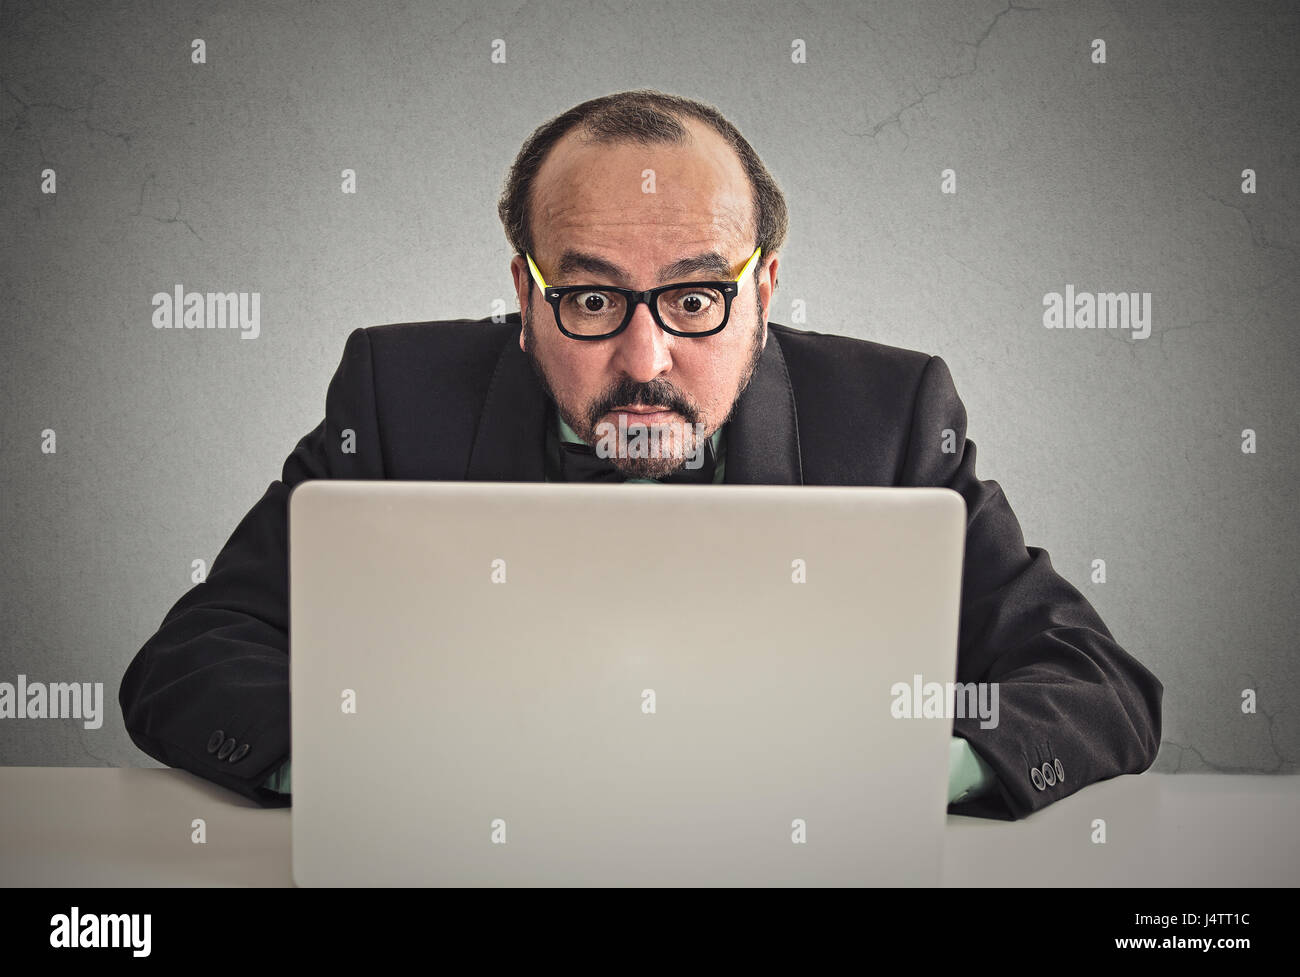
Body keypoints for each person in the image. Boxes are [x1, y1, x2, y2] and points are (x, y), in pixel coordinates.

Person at [120, 89, 1162, 820]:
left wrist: (897, 774)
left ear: (763, 292)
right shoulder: (398, 398)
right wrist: (375, 765)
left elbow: (1093, 682)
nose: (644, 356)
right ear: (524, 296)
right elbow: (192, 662)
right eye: (589, 297)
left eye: (697, 297)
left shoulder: (888, 414)